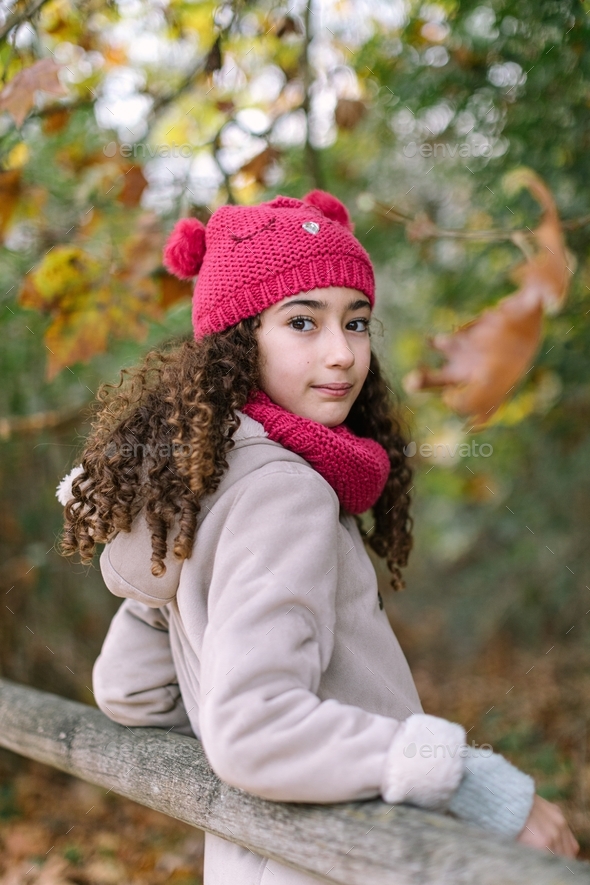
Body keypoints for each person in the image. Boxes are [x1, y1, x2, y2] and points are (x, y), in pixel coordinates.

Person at [56, 189, 578, 883]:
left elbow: (128, 689)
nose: (342, 354)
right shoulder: (284, 489)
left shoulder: (212, 483)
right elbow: (255, 728)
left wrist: (176, 606)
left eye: (356, 322)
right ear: (240, 340)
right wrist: (467, 778)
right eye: (302, 322)